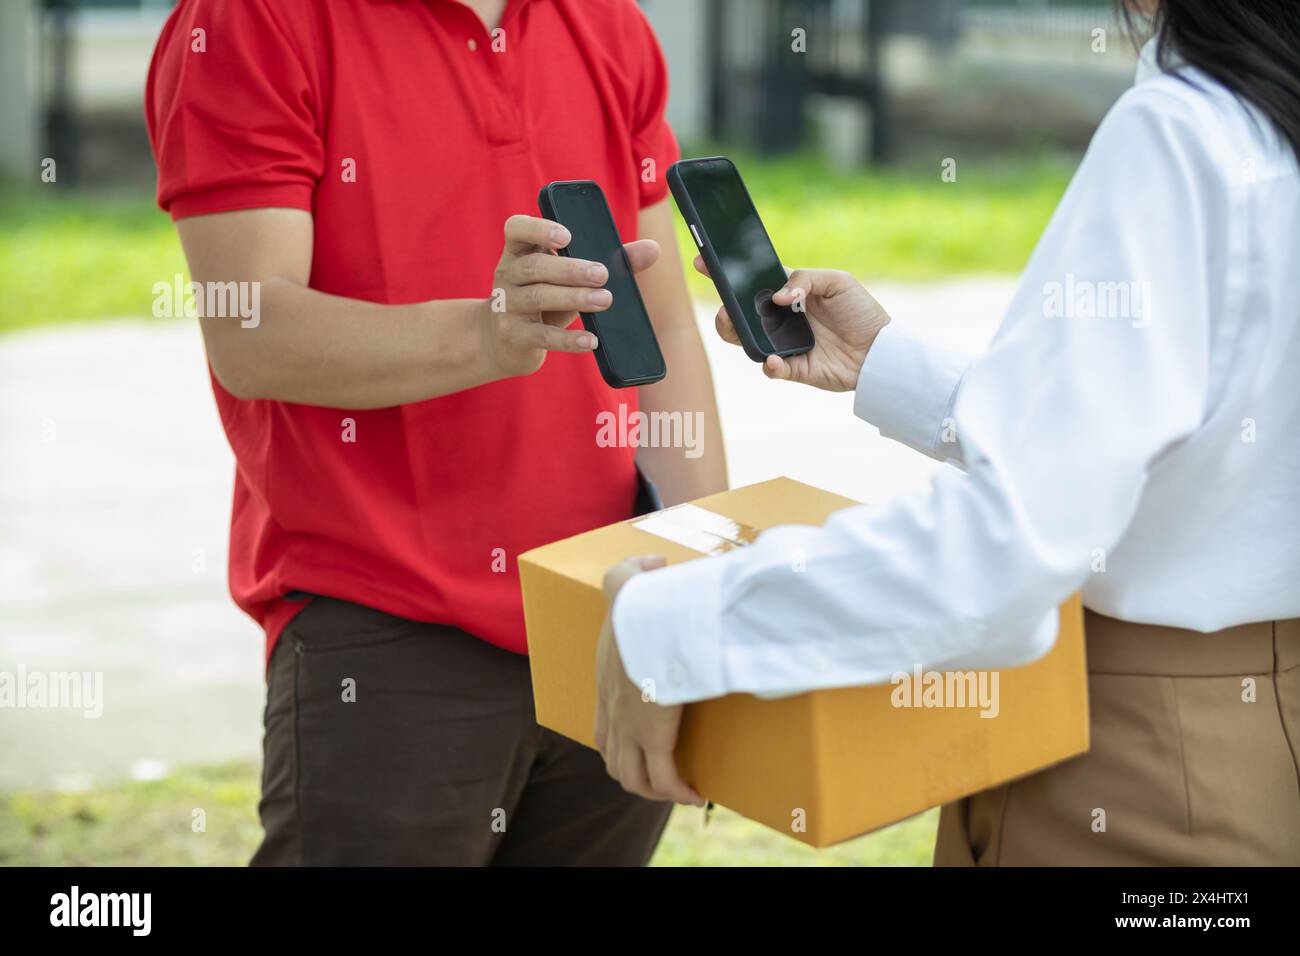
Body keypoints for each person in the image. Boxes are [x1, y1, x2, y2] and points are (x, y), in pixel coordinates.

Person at [595, 0, 1300, 864]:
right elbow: (1198, 445)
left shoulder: (1185, 131)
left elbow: (1010, 551)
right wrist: (890, 364)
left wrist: (674, 624)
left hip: (1141, 763)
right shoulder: (1269, 118)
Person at [146, 0, 726, 866]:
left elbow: (667, 332)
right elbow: (251, 330)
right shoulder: (249, 20)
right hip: (384, 622)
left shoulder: (608, 24)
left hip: (609, 607)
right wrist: (488, 336)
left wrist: (699, 583)